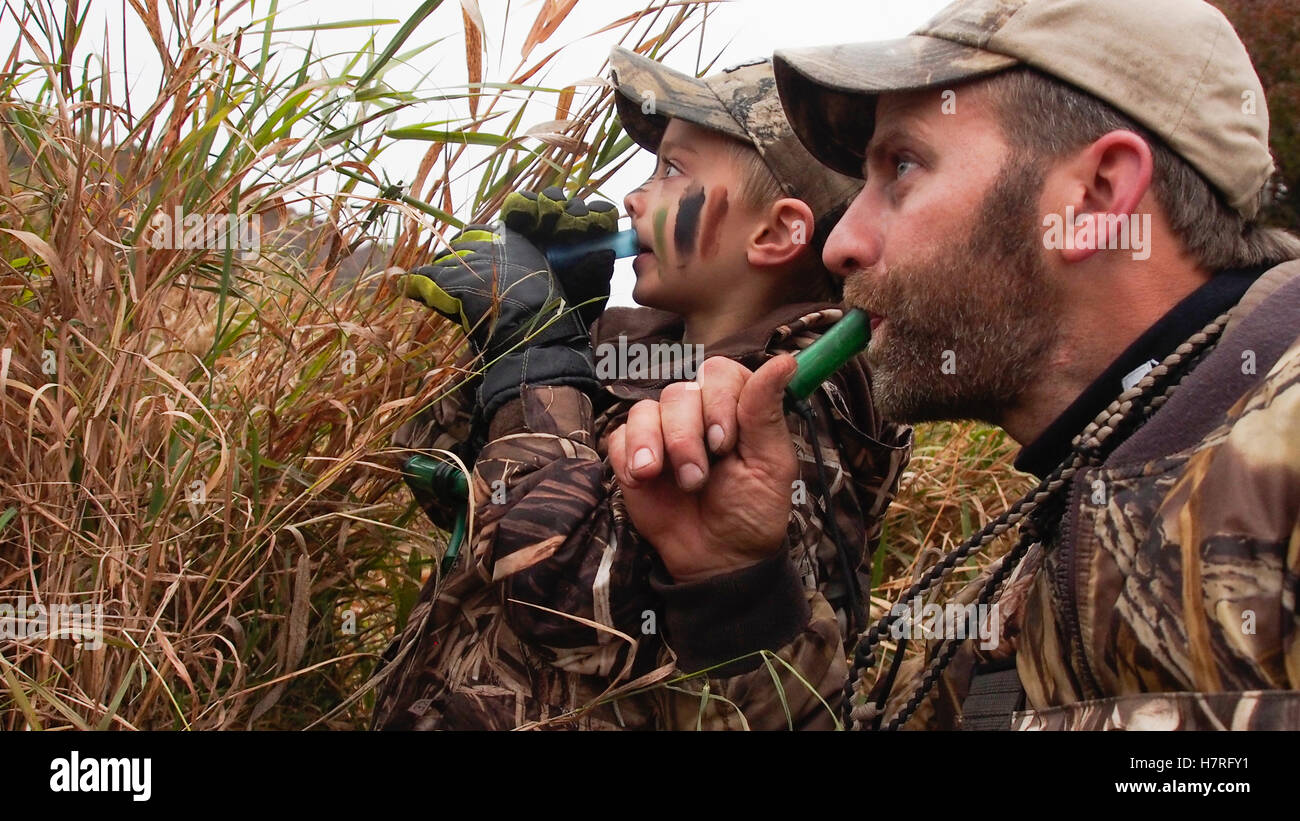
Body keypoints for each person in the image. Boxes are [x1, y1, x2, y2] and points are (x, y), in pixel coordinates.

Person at [609, 0, 1300, 730]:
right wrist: (735, 590)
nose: (841, 243)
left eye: (901, 166)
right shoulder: (1001, 611)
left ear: (1096, 196)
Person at [368, 47, 912, 730]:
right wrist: (553, 333)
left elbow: (561, 594)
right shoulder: (647, 352)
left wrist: (537, 363)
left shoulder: (798, 391)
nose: (632, 196)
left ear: (776, 233)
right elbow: (449, 484)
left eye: (673, 169)